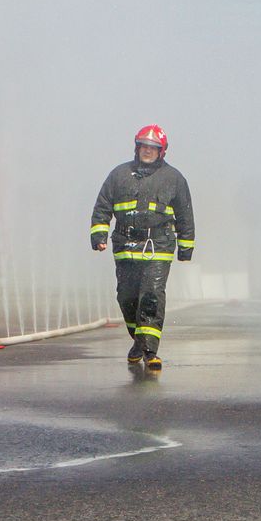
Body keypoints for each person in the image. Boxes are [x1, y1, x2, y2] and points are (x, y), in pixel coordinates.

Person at [89, 124, 196, 371]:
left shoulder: (174, 179)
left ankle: (150, 351)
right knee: (126, 298)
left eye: (153, 148)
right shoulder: (119, 175)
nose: (147, 151)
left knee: (151, 296)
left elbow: (185, 215)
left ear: (162, 151)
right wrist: (99, 235)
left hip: (158, 246)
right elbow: (102, 207)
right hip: (125, 246)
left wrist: (186, 248)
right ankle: (139, 341)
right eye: (144, 146)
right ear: (137, 147)